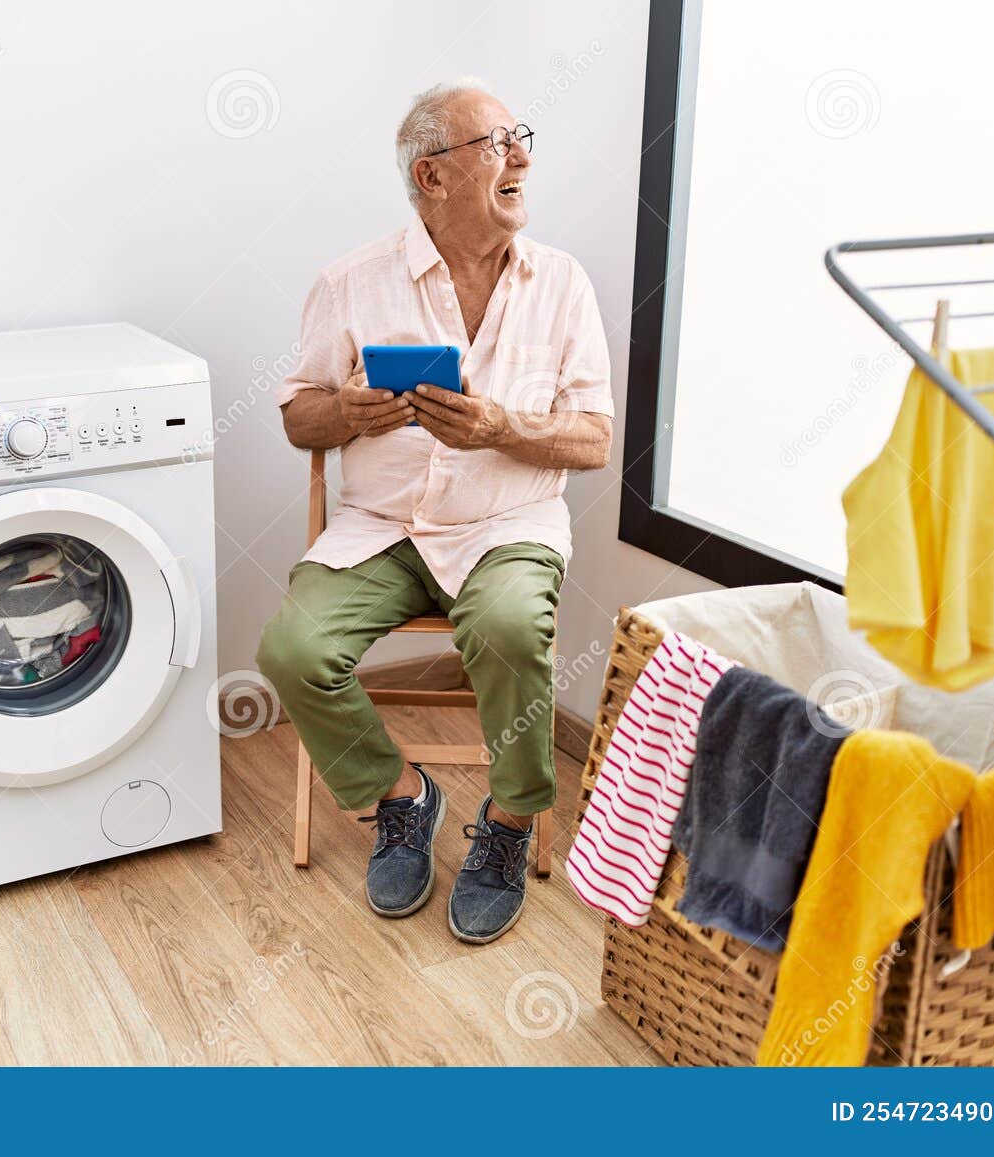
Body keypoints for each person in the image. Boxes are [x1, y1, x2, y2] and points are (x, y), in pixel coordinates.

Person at [257, 78, 613, 944]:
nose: (521, 157)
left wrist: (501, 424)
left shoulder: (562, 284)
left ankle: (512, 819)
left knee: (507, 630)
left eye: (520, 138)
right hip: (386, 528)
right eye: (496, 143)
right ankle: (401, 797)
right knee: (291, 651)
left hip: (508, 525)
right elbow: (297, 412)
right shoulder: (351, 282)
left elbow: (596, 439)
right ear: (432, 176)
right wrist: (350, 411)